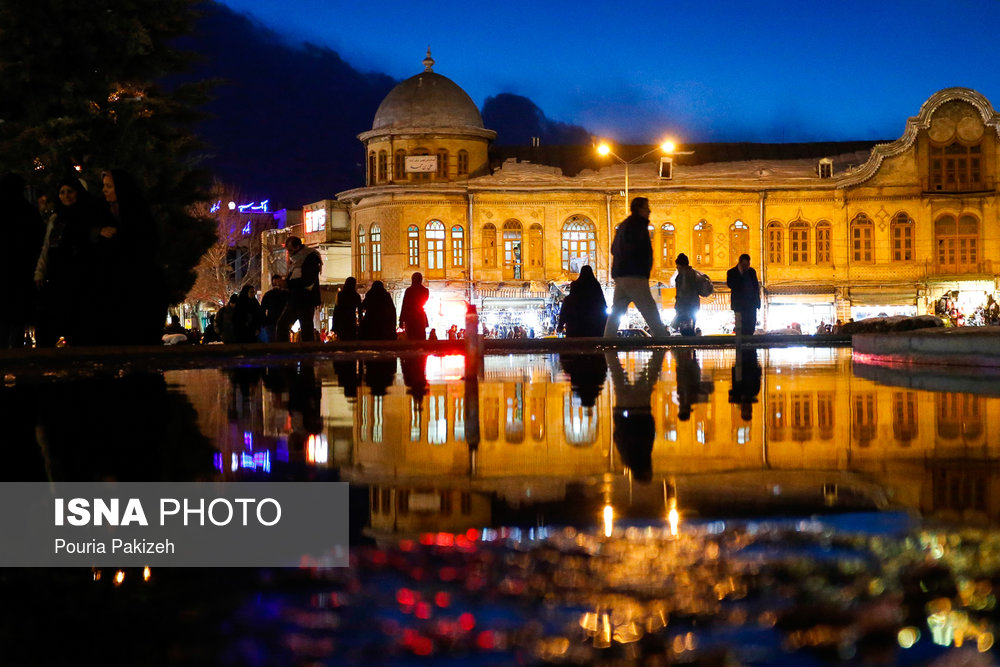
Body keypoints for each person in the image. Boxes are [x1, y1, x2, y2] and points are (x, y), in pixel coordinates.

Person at [93, 169, 165, 345]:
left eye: (109, 186)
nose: (105, 190)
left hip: (139, 280)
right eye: (104, 186)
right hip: (111, 282)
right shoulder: (100, 212)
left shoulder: (139, 213)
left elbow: (147, 243)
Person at [34, 175, 94, 346]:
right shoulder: (56, 219)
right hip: (56, 278)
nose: (66, 196)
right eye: (62, 192)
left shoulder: (87, 216)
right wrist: (39, 272)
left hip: (79, 280)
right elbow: (47, 246)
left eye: (70, 191)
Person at [603, 197, 668, 337]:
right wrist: (640, 266)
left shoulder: (624, 225)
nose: (649, 210)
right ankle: (663, 339)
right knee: (649, 308)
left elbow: (614, 249)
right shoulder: (637, 226)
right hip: (634, 274)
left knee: (617, 310)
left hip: (621, 274)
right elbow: (636, 249)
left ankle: (607, 343)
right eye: (646, 207)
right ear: (639, 209)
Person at [0, 173, 45, 348]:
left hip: (7, 274)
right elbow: (38, 240)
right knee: (17, 322)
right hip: (22, 274)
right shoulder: (29, 212)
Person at [276, 236, 322, 342]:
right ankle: (287, 352)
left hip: (305, 299)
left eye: (291, 250)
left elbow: (308, 280)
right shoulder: (297, 260)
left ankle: (307, 354)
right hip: (295, 298)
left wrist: (287, 283)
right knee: (283, 325)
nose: (289, 253)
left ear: (297, 247)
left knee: (305, 329)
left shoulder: (310, 257)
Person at [557, 264, 607, 337]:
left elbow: (564, 311)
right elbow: (603, 310)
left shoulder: (571, 296)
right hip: (594, 333)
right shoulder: (595, 289)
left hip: (574, 332)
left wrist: (560, 326)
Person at [726, 253, 761, 336]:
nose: (746, 267)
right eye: (744, 265)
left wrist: (757, 303)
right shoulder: (732, 272)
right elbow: (731, 285)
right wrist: (740, 275)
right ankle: (741, 346)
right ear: (740, 263)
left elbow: (756, 287)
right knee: (741, 327)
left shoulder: (751, 272)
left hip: (751, 305)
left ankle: (750, 345)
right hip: (739, 306)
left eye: (748, 265)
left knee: (751, 326)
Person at [671, 253, 701, 336]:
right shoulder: (694, 273)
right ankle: (691, 347)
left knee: (685, 331)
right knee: (690, 329)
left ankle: (688, 348)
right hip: (693, 306)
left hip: (685, 308)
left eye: (677, 266)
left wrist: (678, 308)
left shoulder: (682, 276)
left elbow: (683, 293)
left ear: (681, 265)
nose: (677, 268)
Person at [399, 272, 430, 341]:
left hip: (410, 317)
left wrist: (401, 320)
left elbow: (404, 305)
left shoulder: (409, 290)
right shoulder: (425, 291)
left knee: (411, 337)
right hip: (420, 316)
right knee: (421, 337)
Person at [259, 274, 288, 343]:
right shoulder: (268, 295)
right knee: (273, 340)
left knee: (282, 340)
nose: (276, 285)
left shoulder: (285, 294)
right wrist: (265, 322)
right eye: (275, 283)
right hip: (271, 323)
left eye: (278, 282)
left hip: (283, 322)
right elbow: (262, 309)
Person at [332, 276, 361, 341]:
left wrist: (334, 325)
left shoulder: (340, 295)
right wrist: (361, 324)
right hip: (351, 321)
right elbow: (360, 312)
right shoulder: (356, 296)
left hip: (341, 322)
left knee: (342, 341)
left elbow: (336, 310)